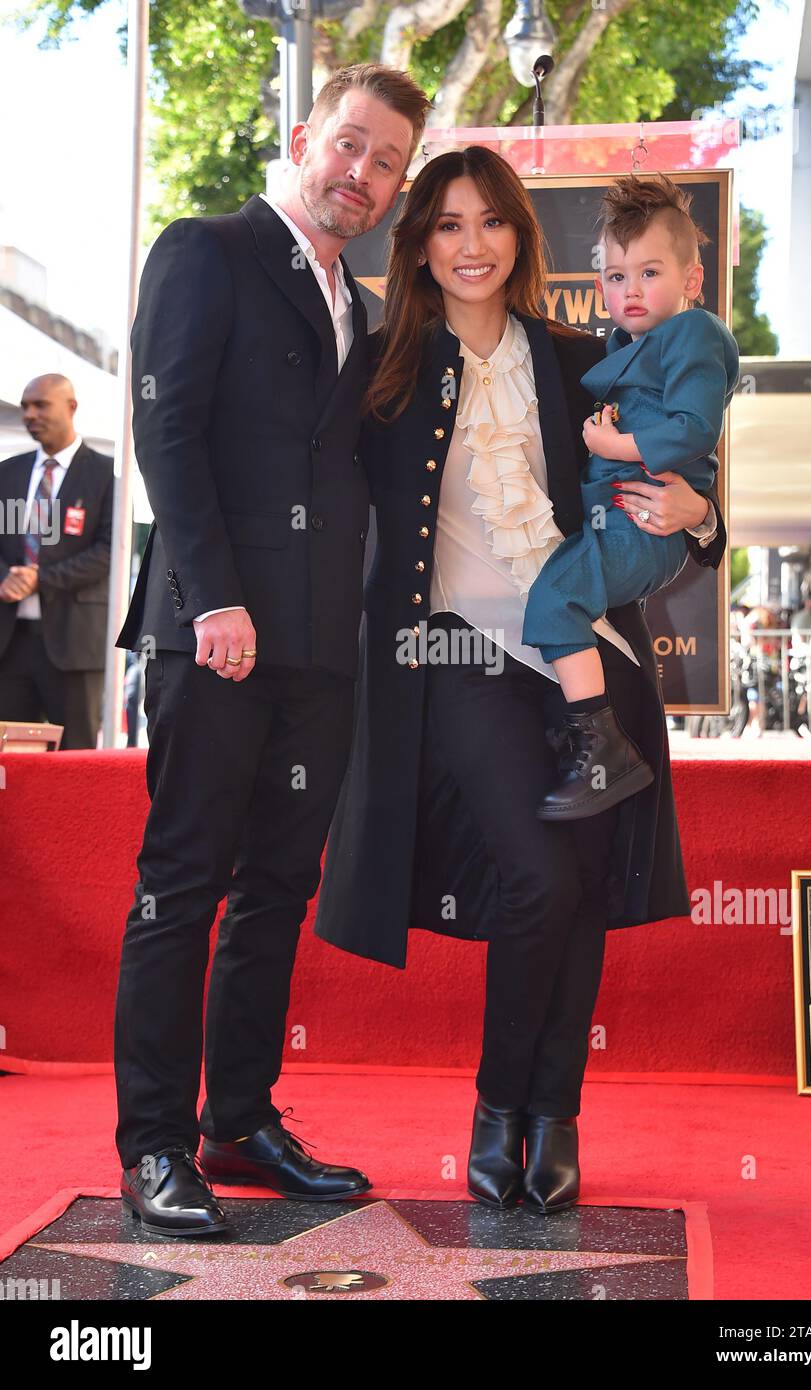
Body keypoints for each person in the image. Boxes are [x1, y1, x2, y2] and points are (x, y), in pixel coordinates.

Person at [313, 146, 725, 1215]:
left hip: (593, 666)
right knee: (538, 877)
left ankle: (557, 1118)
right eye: (446, 224)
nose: (469, 244)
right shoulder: (386, 366)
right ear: (419, 244)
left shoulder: (584, 355)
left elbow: (685, 465)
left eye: (489, 222)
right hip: (459, 661)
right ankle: (501, 1109)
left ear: (518, 238)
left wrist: (703, 516)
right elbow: (299, 479)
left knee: (578, 891)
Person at [113, 63, 432, 1238]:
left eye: (387, 160)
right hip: (218, 634)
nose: (363, 173)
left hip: (317, 655)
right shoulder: (207, 248)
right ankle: (152, 1143)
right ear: (305, 137)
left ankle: (236, 1120)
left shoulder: (363, 301)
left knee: (274, 890)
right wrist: (213, 600)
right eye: (350, 144)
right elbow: (167, 427)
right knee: (180, 887)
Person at [521, 174, 739, 820]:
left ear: (691, 280)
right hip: (596, 534)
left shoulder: (687, 335)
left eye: (648, 273)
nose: (631, 290)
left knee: (556, 597)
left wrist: (696, 512)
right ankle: (593, 741)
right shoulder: (623, 347)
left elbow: (695, 433)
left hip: (636, 527)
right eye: (617, 278)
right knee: (557, 597)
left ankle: (600, 746)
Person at [0, 375, 113, 750]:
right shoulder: (7, 473)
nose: (29, 414)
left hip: (75, 646)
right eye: (25, 406)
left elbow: (108, 551)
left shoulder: (106, 476)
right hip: (10, 644)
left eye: (40, 405)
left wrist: (41, 578)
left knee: (77, 761)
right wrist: (5, 578)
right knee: (11, 766)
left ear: (72, 407)